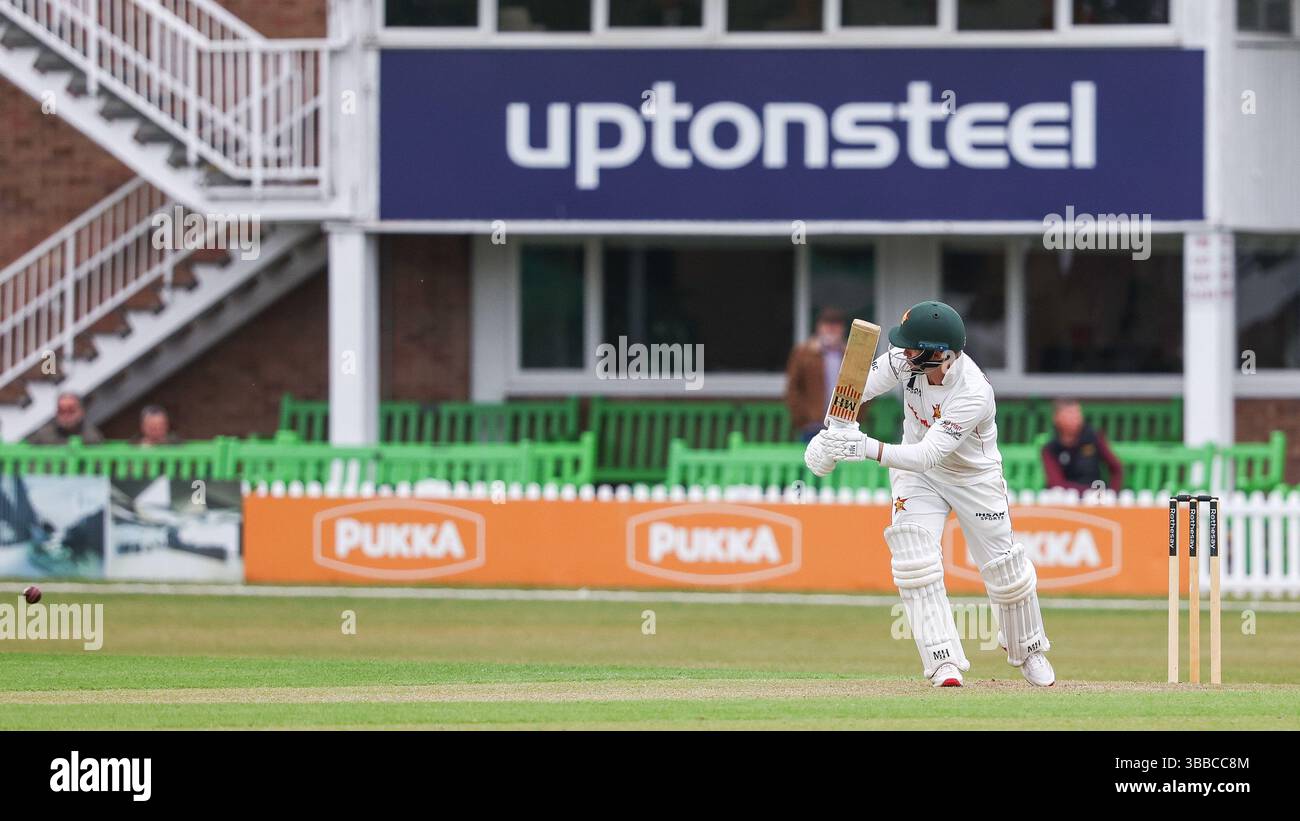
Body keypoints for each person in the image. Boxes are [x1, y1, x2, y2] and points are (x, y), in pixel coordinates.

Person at [803, 300, 1054, 688]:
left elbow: (928, 454)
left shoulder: (973, 391)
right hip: (919, 478)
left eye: (913, 348)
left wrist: (860, 447)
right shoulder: (906, 361)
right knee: (913, 559)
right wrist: (832, 432)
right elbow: (855, 387)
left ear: (941, 355)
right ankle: (942, 660)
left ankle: (1029, 649)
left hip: (974, 479)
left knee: (1005, 571)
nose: (903, 353)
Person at [784, 307, 849, 443]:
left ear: (842, 329)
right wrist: (803, 418)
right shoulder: (803, 353)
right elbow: (792, 389)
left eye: (836, 325)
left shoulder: (850, 354)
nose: (831, 329)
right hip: (812, 426)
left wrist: (855, 417)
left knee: (843, 463)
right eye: (827, 324)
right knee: (812, 462)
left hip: (843, 426)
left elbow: (864, 386)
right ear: (818, 327)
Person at [1042, 399, 1124, 493]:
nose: (1075, 418)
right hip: (1065, 497)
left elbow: (1116, 468)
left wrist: (1111, 493)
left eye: (1077, 413)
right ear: (1056, 418)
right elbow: (1056, 484)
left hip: (1095, 496)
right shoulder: (1050, 449)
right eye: (1069, 414)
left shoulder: (1093, 437)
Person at [26, 392, 104, 445]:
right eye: (62, 411)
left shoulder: (91, 436)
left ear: (81, 412)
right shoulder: (43, 435)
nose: (66, 416)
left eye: (71, 411)